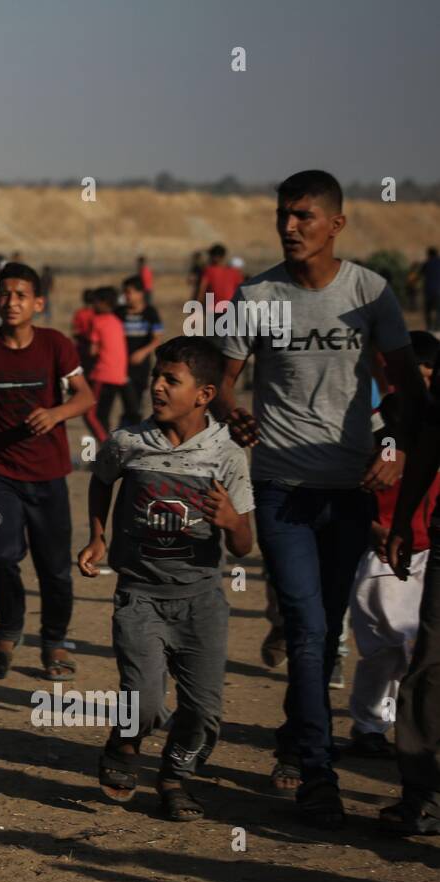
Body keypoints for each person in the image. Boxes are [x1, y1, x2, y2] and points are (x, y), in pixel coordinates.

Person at [215, 169, 425, 829]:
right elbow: (221, 383)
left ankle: (295, 740)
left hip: (349, 494)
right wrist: (234, 411)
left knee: (328, 631)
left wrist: (391, 447)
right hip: (282, 489)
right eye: (283, 215)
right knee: (307, 631)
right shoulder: (256, 296)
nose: (290, 226)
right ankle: (317, 771)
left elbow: (408, 395)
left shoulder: (370, 293)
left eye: (304, 216)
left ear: (337, 223)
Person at [79, 336, 254, 821]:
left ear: (204, 394)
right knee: (147, 702)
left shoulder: (227, 455)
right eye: (157, 375)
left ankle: (175, 777)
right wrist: (97, 537)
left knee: (202, 713)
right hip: (140, 596)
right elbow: (101, 481)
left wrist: (232, 522)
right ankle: (126, 740)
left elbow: (245, 545)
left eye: (170, 380)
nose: (156, 386)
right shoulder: (128, 442)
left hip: (201, 601)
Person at [0, 262, 94, 682]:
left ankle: (54, 644)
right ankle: (7, 633)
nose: (12, 302)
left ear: (38, 303)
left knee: (54, 567)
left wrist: (56, 414)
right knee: (2, 556)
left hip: (48, 474)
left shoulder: (56, 344)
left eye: (21, 295)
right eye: (5, 294)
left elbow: (86, 396)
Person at [346, 333, 440, 760]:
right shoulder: (369, 428)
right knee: (391, 648)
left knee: (419, 651)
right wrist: (373, 529)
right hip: (386, 555)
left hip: (430, 554)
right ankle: (371, 725)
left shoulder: (434, 428)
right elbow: (345, 493)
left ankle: (407, 731)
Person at [115, 275, 163, 427]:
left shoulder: (150, 313)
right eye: (125, 292)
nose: (126, 296)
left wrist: (142, 353)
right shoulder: (119, 313)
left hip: (141, 368)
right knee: (127, 401)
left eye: (129, 292)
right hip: (121, 366)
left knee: (137, 401)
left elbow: (157, 339)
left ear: (140, 293)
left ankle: (132, 430)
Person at [81, 286, 126, 443]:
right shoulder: (117, 321)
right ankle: (107, 453)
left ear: (104, 303)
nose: (93, 306)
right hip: (118, 375)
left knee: (89, 414)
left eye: (95, 303)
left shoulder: (97, 321)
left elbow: (93, 351)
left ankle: (108, 447)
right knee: (103, 416)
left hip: (102, 373)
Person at [196, 243, 243, 314]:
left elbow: (201, 290)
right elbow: (241, 291)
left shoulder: (208, 271)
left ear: (215, 257)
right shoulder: (234, 272)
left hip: (213, 309)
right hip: (231, 308)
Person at [422, 247, 440, 331]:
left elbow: (420, 274)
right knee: (438, 310)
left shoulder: (427, 263)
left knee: (428, 310)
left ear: (429, 254)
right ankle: (437, 327)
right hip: (438, 290)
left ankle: (429, 327)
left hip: (428, 290)